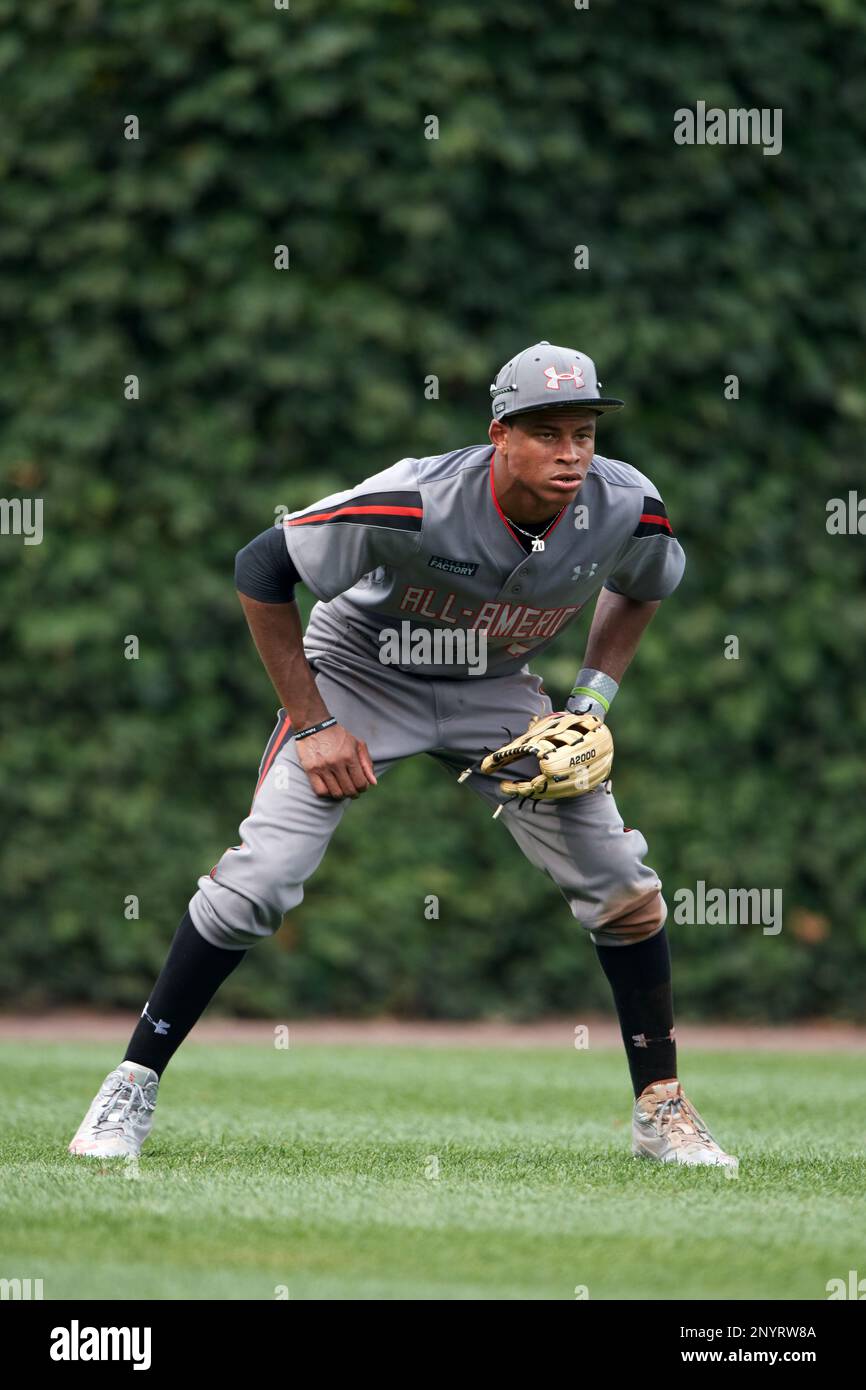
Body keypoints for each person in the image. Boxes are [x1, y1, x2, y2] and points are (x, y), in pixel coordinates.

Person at [68, 341, 737, 1169]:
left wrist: (592, 701)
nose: (569, 453)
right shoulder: (414, 499)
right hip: (359, 674)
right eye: (545, 433)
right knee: (259, 882)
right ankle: (131, 1081)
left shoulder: (628, 506)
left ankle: (660, 1108)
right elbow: (260, 565)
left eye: (583, 433)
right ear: (499, 432)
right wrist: (313, 724)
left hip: (493, 688)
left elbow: (645, 585)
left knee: (625, 890)